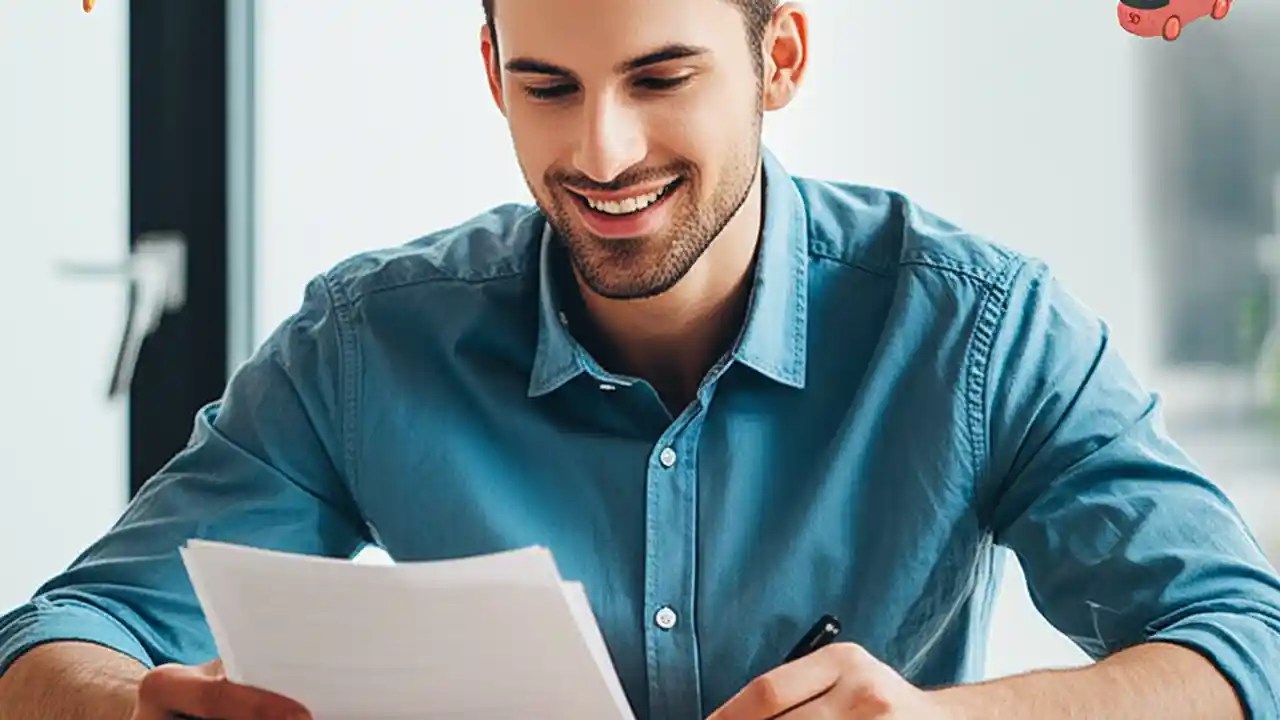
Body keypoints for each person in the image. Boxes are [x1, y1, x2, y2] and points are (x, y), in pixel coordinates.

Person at [4, 0, 1279, 718]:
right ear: (491, 70)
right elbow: (58, 636)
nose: (602, 153)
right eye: (548, 86)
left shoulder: (975, 328)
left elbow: (1243, 643)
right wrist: (129, 712)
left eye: (660, 77)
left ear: (776, 59)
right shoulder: (366, 345)